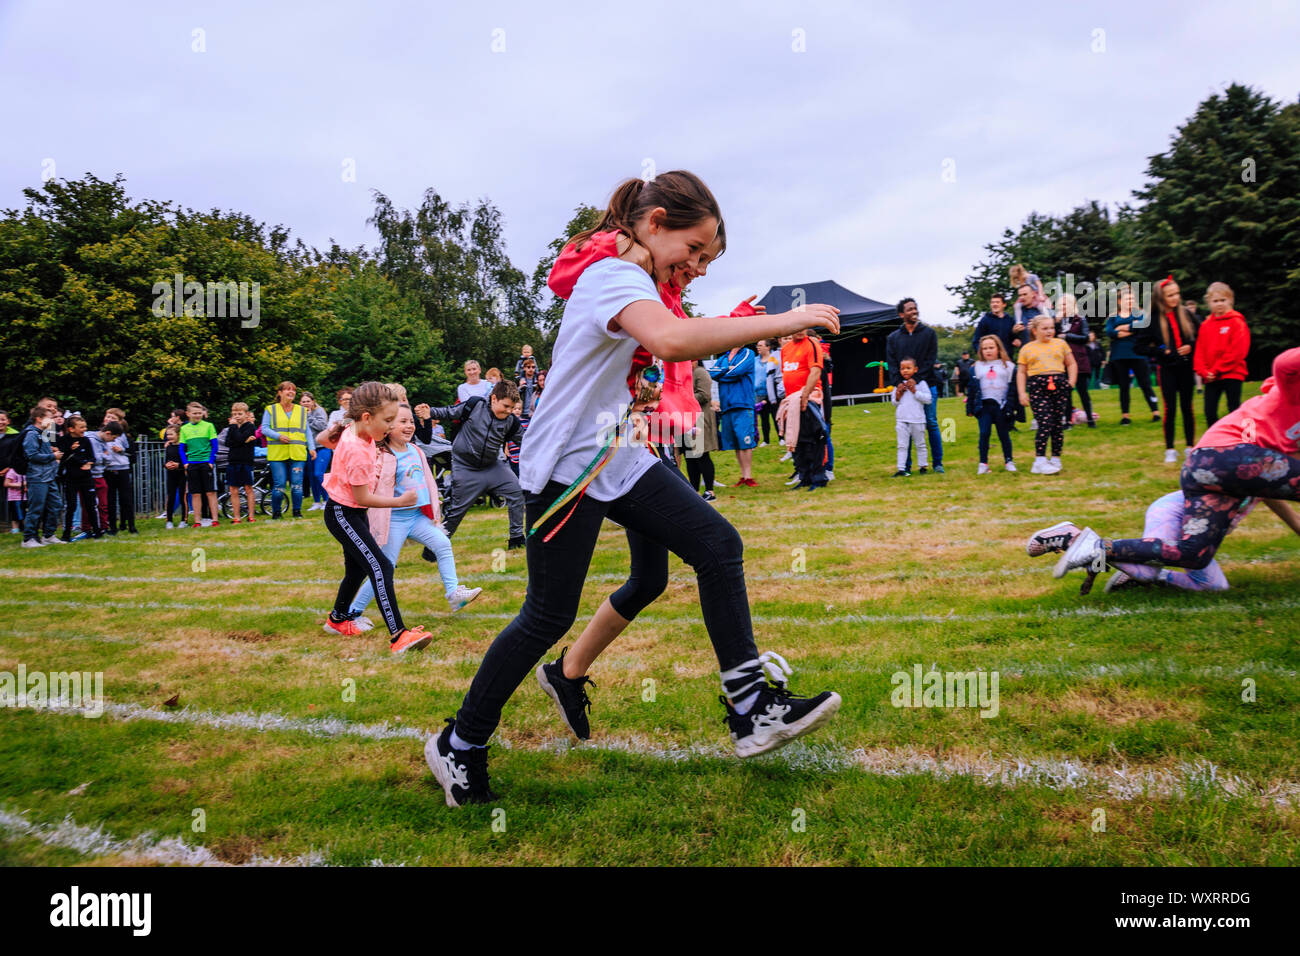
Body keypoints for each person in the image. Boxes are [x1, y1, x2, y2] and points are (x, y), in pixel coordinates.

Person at [426, 171, 842, 807]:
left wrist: (632, 389)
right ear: (654, 226)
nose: (698, 267)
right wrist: (780, 322)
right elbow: (672, 339)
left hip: (615, 451)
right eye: (694, 250)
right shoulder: (614, 276)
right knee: (547, 614)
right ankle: (459, 741)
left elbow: (653, 346)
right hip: (567, 464)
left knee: (714, 543)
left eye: (708, 257)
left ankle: (752, 707)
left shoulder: (634, 276)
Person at [1039, 347, 1300, 581]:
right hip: (1222, 454)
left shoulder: (1277, 455)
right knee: (1157, 569)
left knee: (1193, 555)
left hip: (1207, 470)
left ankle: (1091, 547)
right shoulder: (1291, 392)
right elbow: (1283, 364)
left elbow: (1269, 486)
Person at [344, 404, 482, 631]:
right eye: (402, 422)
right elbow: (373, 487)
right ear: (388, 427)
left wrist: (433, 507)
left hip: (417, 517)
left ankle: (454, 593)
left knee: (443, 544)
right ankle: (352, 613)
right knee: (384, 568)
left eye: (411, 421)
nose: (409, 426)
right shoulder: (382, 455)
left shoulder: (415, 450)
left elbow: (427, 479)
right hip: (394, 520)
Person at [318, 382, 431, 653]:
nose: (391, 427)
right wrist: (399, 501)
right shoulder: (356, 449)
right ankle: (399, 635)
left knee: (357, 568)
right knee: (381, 566)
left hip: (352, 514)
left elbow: (324, 439)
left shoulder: (358, 430)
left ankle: (337, 620)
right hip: (343, 514)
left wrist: (337, 437)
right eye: (388, 420)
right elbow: (363, 499)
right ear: (367, 418)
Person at [1102, 491, 1299, 593]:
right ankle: (1086, 543)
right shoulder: (1244, 477)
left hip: (1195, 530)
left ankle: (1149, 575)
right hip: (1173, 513)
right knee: (1146, 571)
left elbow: (1293, 519)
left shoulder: (1265, 485)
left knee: (1215, 588)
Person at [424, 379, 526, 548]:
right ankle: (435, 546)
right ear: (494, 399)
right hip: (465, 467)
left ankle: (516, 539)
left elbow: (526, 443)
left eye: (512, 408)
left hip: (493, 466)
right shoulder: (474, 405)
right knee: (457, 511)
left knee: (516, 492)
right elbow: (447, 412)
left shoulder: (511, 421)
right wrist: (429, 412)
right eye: (506, 406)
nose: (509, 411)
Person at [1136, 275, 1199, 462]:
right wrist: (1162, 350)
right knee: (1170, 408)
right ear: (1160, 298)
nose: (1175, 298)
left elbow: (1200, 337)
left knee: (1187, 407)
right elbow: (1140, 346)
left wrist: (1191, 346)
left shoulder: (1187, 314)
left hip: (1186, 367)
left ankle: (1190, 446)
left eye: (1176, 294)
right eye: (1170, 295)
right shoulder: (1152, 319)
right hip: (1167, 369)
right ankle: (1170, 449)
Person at [885, 298, 944, 473]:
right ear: (902, 314)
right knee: (906, 425)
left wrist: (916, 379)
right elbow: (892, 363)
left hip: (927, 385)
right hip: (903, 389)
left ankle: (937, 463)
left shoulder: (929, 334)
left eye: (915, 308)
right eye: (910, 309)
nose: (914, 311)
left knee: (931, 423)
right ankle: (906, 466)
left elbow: (930, 359)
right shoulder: (893, 338)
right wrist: (899, 384)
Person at [1017, 315, 1077, 474]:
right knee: (1045, 422)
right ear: (1035, 331)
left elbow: (1071, 363)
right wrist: (1022, 392)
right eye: (1045, 328)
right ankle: (1039, 460)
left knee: (1058, 423)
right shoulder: (1027, 348)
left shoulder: (1061, 344)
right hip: (1038, 387)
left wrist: (1071, 382)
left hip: (1059, 385)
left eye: (1051, 328)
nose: (1049, 331)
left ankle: (1056, 458)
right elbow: (1021, 372)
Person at [1193, 281, 1250, 426]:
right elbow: (1199, 350)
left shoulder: (1237, 322)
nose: (1219, 304)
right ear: (1208, 303)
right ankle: (1215, 441)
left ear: (1230, 300)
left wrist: (1217, 369)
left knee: (1234, 408)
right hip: (1211, 377)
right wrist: (1204, 372)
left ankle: (1237, 440)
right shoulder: (1205, 325)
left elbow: (1238, 351)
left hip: (1232, 373)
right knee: (1209, 411)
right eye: (1215, 301)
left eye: (1223, 300)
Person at [1104, 285, 1160, 425]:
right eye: (1127, 299)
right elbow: (1109, 331)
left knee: (1145, 384)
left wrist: (1124, 328)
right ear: (1119, 301)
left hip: (1138, 355)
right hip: (1119, 356)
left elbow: (1144, 326)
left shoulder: (1140, 314)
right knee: (1124, 387)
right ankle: (1125, 416)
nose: (1130, 301)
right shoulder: (1113, 316)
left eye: (1132, 299)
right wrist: (1122, 331)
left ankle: (1155, 412)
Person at [262, 381, 316, 519]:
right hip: (277, 454)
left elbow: (307, 431)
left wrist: (312, 448)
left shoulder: (301, 410)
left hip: (297, 452)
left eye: (293, 390)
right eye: (287, 390)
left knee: (297, 485)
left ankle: (297, 512)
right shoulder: (270, 409)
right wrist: (278, 436)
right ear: (280, 393)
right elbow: (264, 428)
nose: (291, 392)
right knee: (279, 485)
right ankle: (276, 513)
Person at [967, 335, 1018, 474]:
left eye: (991, 347)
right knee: (984, 433)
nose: (988, 351)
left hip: (1001, 406)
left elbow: (1013, 389)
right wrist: (970, 407)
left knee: (1004, 435)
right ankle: (983, 463)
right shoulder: (976, 367)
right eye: (984, 348)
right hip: (984, 406)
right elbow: (971, 389)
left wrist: (1013, 407)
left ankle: (1009, 461)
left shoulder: (1008, 366)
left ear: (998, 348)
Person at [709, 343, 758, 486]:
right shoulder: (724, 357)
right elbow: (712, 373)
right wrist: (726, 370)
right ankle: (743, 476)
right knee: (736, 442)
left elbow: (738, 371)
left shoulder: (748, 353)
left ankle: (748, 476)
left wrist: (722, 373)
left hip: (742, 403)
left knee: (745, 440)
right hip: (727, 405)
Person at [20, 407, 64, 548]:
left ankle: (48, 535)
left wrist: (53, 452)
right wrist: (53, 456)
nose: (53, 420)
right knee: (36, 508)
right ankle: (28, 539)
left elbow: (47, 448)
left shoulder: (43, 433)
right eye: (50, 417)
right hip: (37, 477)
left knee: (56, 505)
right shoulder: (31, 434)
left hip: (49, 476)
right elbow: (32, 456)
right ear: (39, 419)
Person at [58, 416, 102, 541]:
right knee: (71, 505)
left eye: (85, 427)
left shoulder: (86, 440)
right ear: (71, 429)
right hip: (71, 478)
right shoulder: (64, 440)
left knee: (90, 505)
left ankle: (96, 531)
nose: (84, 429)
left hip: (86, 478)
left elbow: (92, 457)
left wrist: (89, 463)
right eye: (81, 427)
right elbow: (62, 457)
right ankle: (66, 534)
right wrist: (72, 452)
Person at [179, 401, 221, 528]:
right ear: (188, 414)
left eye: (199, 413)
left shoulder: (208, 426)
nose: (197, 415)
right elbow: (181, 448)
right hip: (192, 464)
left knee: (210, 492)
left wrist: (210, 461)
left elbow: (215, 445)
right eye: (194, 413)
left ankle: (214, 519)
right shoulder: (184, 428)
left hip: (206, 463)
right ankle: (198, 521)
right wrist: (185, 464)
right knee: (195, 493)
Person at [1057, 294, 1095, 429]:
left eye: (1064, 304)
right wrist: (1056, 323)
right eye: (1060, 305)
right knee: (1066, 393)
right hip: (1063, 362)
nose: (1062, 307)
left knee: (1083, 391)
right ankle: (1068, 421)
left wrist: (1067, 336)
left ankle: (1090, 419)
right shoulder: (1058, 322)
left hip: (1079, 360)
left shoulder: (1080, 319)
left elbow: (1085, 337)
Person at [890, 358, 931, 477]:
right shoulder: (899, 384)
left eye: (908, 368)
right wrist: (898, 395)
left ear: (915, 369)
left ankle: (923, 466)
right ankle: (901, 468)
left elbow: (928, 399)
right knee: (902, 445)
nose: (905, 371)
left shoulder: (921, 383)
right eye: (902, 368)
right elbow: (894, 402)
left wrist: (915, 392)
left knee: (920, 444)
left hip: (917, 419)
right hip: (902, 419)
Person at [688, 359, 721, 498]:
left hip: (700, 418)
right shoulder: (687, 374)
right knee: (690, 456)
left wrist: (684, 398)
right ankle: (694, 490)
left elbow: (704, 395)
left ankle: (709, 490)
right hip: (687, 419)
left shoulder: (700, 372)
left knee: (702, 455)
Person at [99, 421, 135, 533]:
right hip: (109, 469)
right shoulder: (100, 436)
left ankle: (131, 525)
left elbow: (130, 452)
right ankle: (112, 526)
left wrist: (122, 450)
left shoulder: (122, 436)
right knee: (110, 499)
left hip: (122, 468)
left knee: (126, 499)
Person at [225, 403, 259, 523]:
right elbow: (228, 443)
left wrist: (241, 439)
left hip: (246, 461)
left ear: (246, 414)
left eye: (240, 414)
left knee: (248, 488)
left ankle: (251, 516)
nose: (237, 416)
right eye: (234, 414)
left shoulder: (249, 427)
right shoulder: (232, 427)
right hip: (233, 461)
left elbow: (239, 439)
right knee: (233, 489)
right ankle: (237, 517)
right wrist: (243, 441)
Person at [301, 392, 329, 510]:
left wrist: (309, 416)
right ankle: (317, 502)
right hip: (308, 448)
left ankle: (327, 500)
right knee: (311, 476)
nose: (306, 403)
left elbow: (322, 426)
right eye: (303, 401)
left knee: (319, 474)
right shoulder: (299, 414)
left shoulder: (319, 411)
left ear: (313, 401)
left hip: (322, 447)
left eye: (308, 401)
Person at [754, 338, 781, 447]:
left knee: (775, 415)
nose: (758, 347)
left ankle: (781, 438)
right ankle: (766, 440)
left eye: (761, 345)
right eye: (757, 345)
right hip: (759, 393)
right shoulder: (755, 360)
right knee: (763, 418)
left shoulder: (773, 359)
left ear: (768, 347)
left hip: (771, 392)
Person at [162, 425, 187, 528]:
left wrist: (179, 465)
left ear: (178, 434)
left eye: (171, 434)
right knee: (170, 496)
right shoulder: (168, 447)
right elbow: (166, 460)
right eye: (167, 434)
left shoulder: (184, 447)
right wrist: (166, 465)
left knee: (182, 497)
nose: (169, 436)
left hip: (182, 475)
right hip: (171, 475)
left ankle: (184, 520)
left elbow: (186, 462)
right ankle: (169, 520)